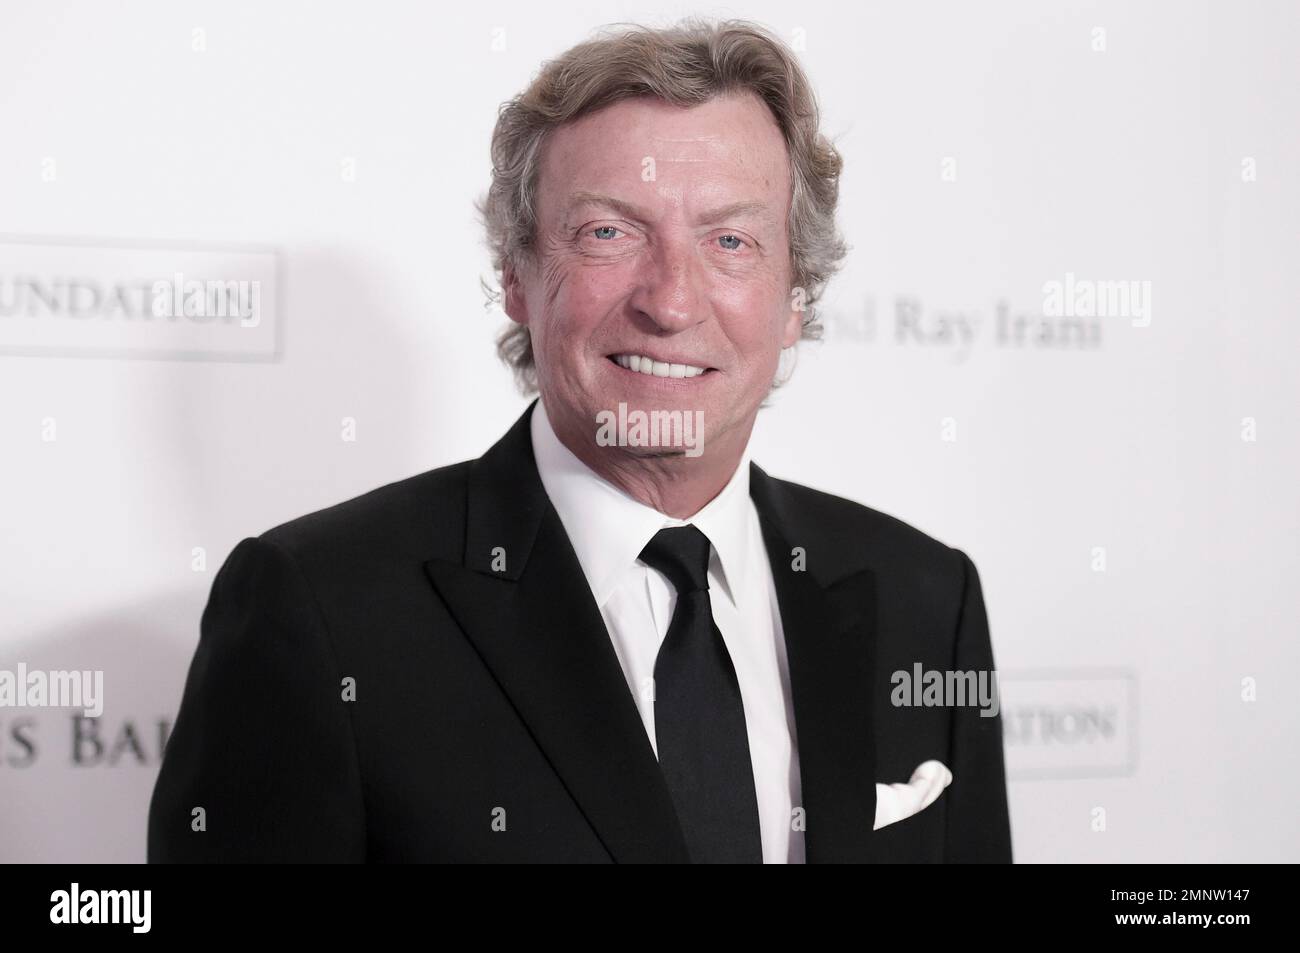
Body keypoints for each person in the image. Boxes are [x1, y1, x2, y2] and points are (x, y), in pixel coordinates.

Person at [148, 17, 1012, 863]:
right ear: (516, 275)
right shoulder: (318, 612)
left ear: (795, 299)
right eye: (609, 232)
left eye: (731, 241)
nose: (671, 301)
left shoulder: (927, 601)